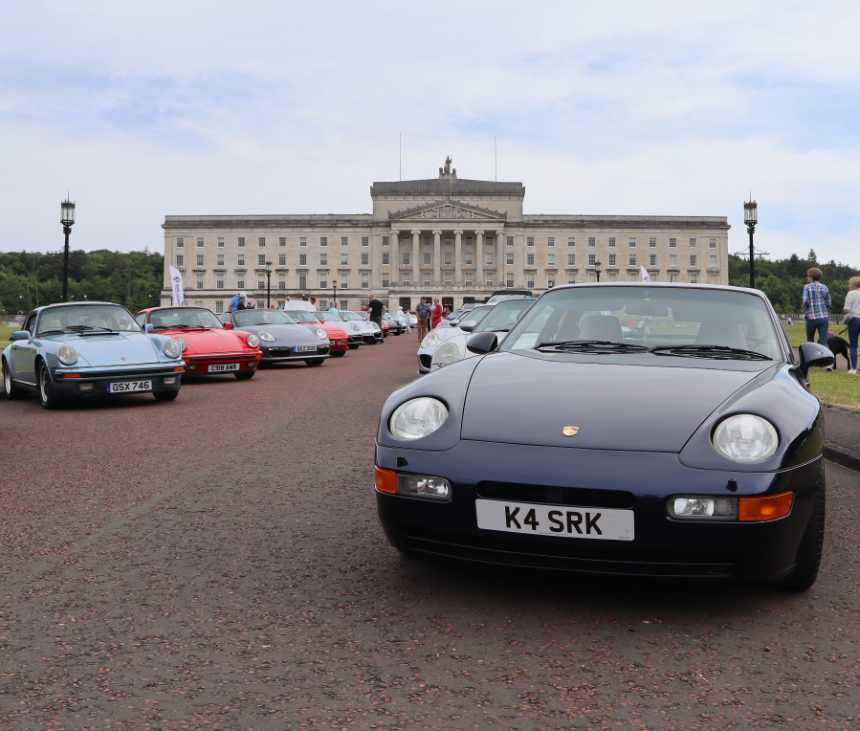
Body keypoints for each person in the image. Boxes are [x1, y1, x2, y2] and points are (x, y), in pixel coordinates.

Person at [803, 268, 831, 345]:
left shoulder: (807, 287)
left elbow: (805, 301)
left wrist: (806, 309)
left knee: (810, 342)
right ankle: (826, 356)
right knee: (823, 341)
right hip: (823, 317)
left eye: (808, 275)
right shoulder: (825, 287)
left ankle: (812, 356)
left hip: (811, 317)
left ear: (811, 276)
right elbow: (829, 303)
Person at [844, 275, 860, 375]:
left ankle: (854, 368)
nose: (849, 285)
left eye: (850, 283)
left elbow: (847, 309)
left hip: (854, 320)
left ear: (853, 285)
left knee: (853, 345)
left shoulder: (851, 294)